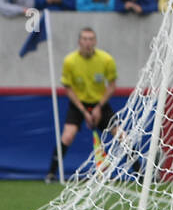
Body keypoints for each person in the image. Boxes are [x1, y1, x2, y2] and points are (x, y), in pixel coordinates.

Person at [47, 28, 121, 182]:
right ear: (79, 41)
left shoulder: (106, 59)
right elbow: (68, 88)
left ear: (95, 42)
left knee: (121, 135)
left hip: (100, 103)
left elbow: (112, 86)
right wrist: (84, 111)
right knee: (67, 136)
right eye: (85, 39)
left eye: (91, 39)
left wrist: (99, 107)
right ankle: (51, 173)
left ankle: (139, 172)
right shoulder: (70, 61)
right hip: (78, 104)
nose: (88, 43)